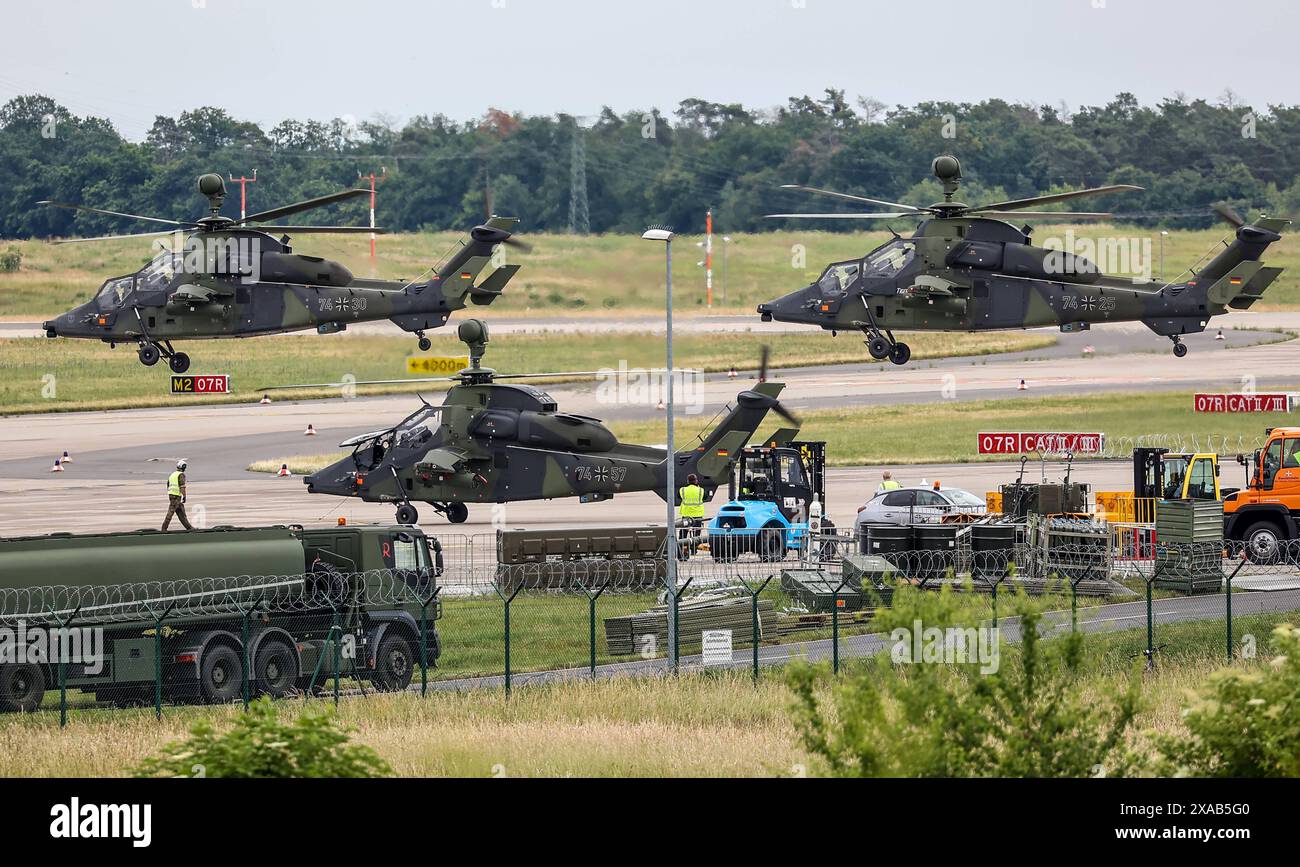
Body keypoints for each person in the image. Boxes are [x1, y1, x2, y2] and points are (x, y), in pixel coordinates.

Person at [677, 473, 707, 557]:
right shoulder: (701, 490)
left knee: (683, 533)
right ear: (696, 481)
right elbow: (705, 497)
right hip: (698, 515)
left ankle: (681, 549)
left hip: (686, 515)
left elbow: (679, 497)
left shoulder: (683, 490)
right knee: (696, 534)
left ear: (688, 481)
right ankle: (694, 549)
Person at [162, 459, 193, 531]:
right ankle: (164, 528)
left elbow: (168, 484)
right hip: (176, 496)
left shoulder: (173, 474)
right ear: (183, 467)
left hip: (172, 495)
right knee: (171, 512)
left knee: (181, 512)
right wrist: (184, 496)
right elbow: (182, 486)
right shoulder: (181, 475)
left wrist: (170, 493)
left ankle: (189, 528)